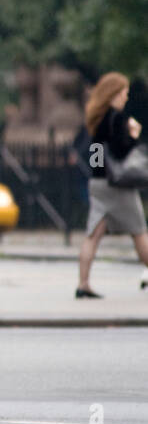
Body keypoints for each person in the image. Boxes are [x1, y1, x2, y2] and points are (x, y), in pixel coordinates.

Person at [76, 72, 148, 298]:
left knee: (93, 235)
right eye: (124, 93)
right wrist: (134, 135)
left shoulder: (96, 119)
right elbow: (121, 151)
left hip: (98, 184)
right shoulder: (117, 119)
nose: (126, 97)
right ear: (115, 93)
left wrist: (98, 173)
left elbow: (95, 155)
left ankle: (83, 283)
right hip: (118, 187)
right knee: (139, 231)